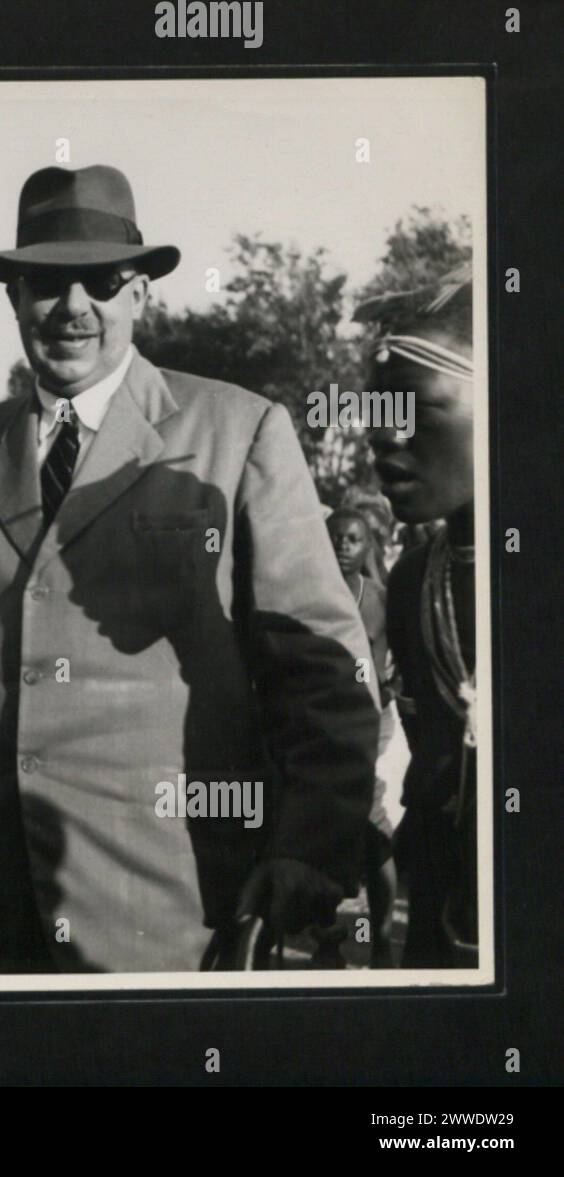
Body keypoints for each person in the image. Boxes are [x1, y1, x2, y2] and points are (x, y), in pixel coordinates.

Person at [0, 165, 380, 973]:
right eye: (45, 281)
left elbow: (322, 664)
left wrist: (310, 850)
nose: (73, 307)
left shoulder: (239, 431)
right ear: (13, 298)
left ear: (141, 294)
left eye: (101, 281)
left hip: (172, 908)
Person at [360, 264, 477, 968]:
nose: (382, 440)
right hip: (443, 895)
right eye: (375, 418)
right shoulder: (413, 579)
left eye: (416, 411)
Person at [324, 506, 397, 967]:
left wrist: (390, 686)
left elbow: (403, 657)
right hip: (322, 727)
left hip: (370, 727)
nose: (343, 547)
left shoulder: (381, 599)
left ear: (368, 546)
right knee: (324, 830)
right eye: (336, 538)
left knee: (372, 828)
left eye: (353, 539)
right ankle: (327, 942)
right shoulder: (311, 594)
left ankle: (384, 942)